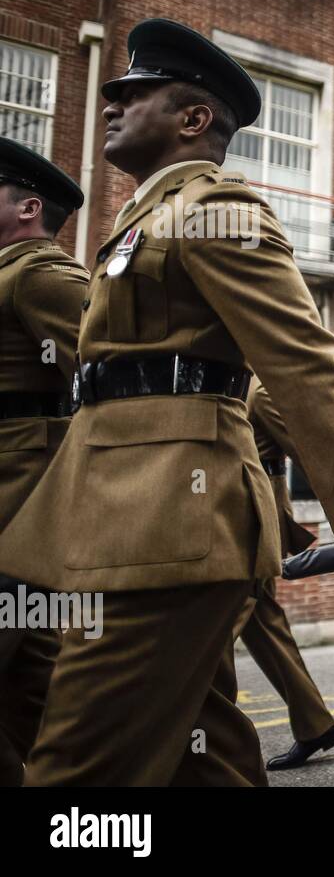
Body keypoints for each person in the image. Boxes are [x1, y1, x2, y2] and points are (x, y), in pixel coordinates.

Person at [0, 19, 334, 786]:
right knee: (204, 759)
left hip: (166, 526)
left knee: (72, 775)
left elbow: (303, 367)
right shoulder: (140, 222)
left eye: (134, 91)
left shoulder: (215, 209)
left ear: (193, 118)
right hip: (121, 519)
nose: (112, 102)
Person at [0, 137, 86, 786]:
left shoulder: (40, 272)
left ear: (29, 207)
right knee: (31, 687)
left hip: (22, 500)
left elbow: (114, 372)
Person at [235, 377, 334, 770]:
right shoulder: (234, 376)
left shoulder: (261, 387)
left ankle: (200, 749)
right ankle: (314, 726)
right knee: (261, 622)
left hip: (251, 517)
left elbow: (307, 448)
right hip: (227, 511)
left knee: (210, 627)